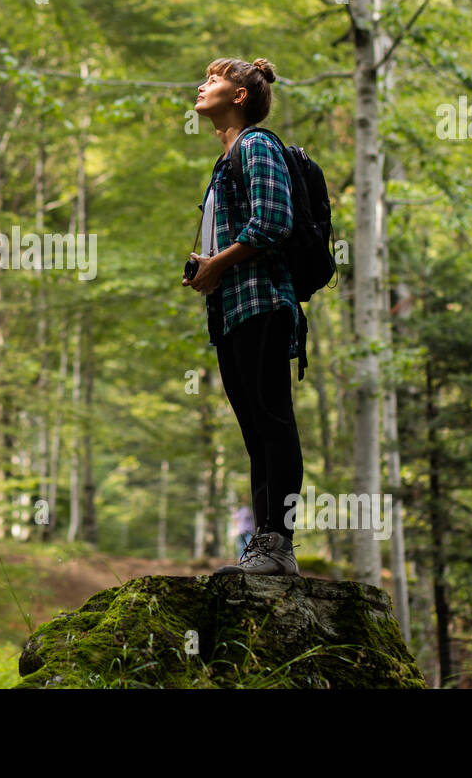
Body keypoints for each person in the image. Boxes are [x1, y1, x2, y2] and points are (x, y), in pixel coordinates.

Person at [182, 56, 303, 577]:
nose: (201, 85)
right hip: (231, 312)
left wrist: (217, 263)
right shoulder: (223, 162)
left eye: (213, 80)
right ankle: (264, 545)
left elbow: (273, 222)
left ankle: (279, 546)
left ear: (238, 96)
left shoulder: (256, 144)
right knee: (256, 430)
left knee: (273, 422)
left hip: (263, 303)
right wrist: (205, 269)